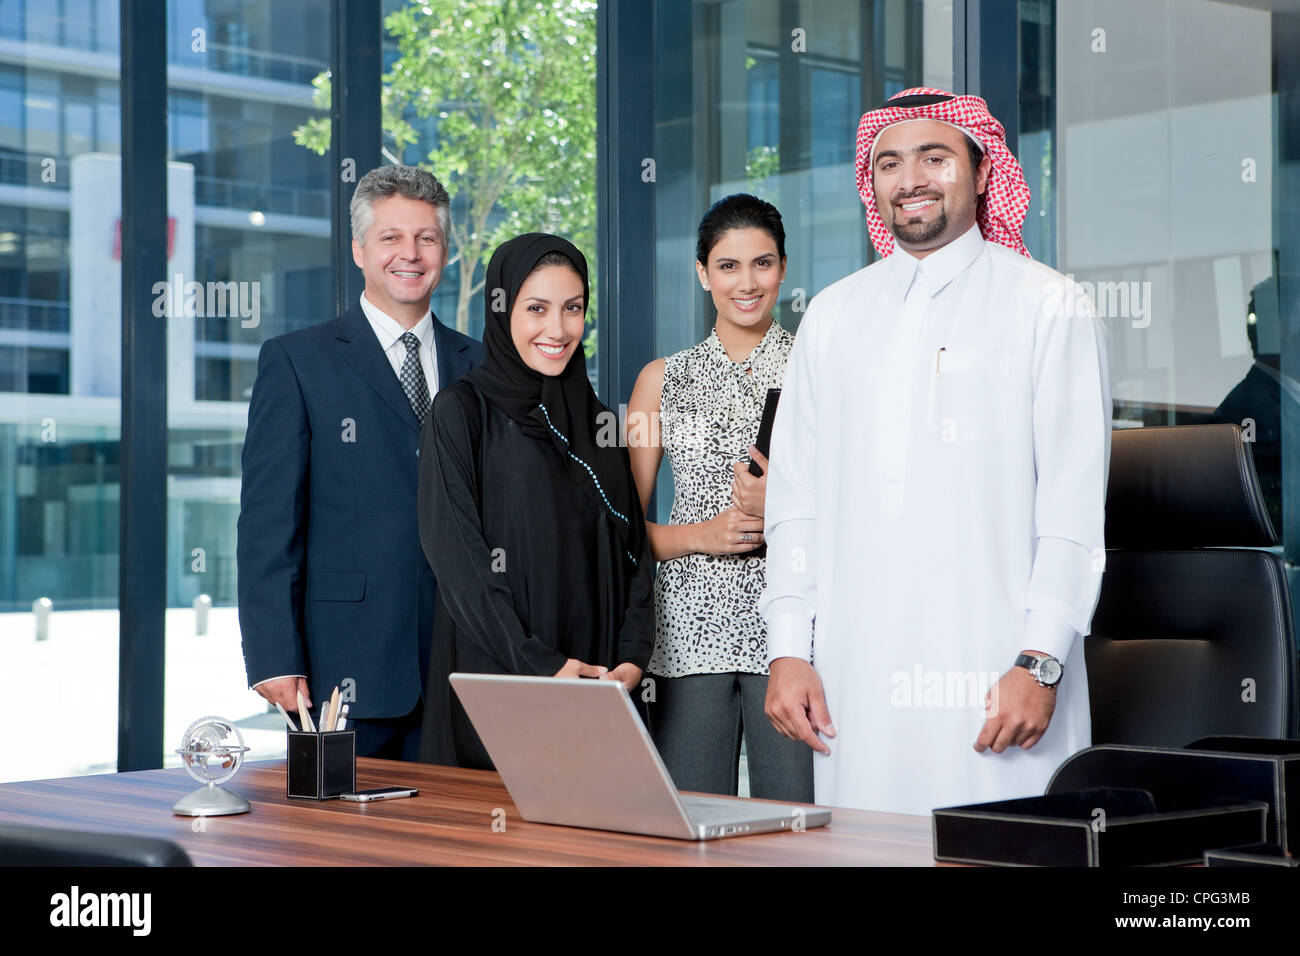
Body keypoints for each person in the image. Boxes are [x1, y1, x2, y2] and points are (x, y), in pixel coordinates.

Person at [759, 88, 1112, 815]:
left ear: (983, 174)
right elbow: (796, 504)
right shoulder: (832, 315)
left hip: (998, 676)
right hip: (857, 682)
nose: (910, 178)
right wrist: (788, 647)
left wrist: (1040, 663)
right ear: (872, 183)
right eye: (889, 162)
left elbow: (1072, 511)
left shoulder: (1049, 306)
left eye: (934, 157)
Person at [238, 165, 483, 760]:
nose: (410, 253)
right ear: (359, 250)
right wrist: (273, 658)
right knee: (343, 847)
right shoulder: (297, 362)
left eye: (426, 238)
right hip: (341, 671)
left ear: (445, 251)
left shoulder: (481, 366)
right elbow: (269, 525)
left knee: (460, 846)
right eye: (391, 238)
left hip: (468, 668)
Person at [416, 233, 654, 769]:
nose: (559, 329)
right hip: (501, 682)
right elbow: (460, 564)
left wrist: (633, 656)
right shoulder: (461, 413)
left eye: (573, 309)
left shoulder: (598, 425)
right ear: (502, 311)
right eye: (537, 309)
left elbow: (635, 553)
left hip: (598, 685)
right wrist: (539, 664)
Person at [626, 194, 812, 801]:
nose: (747, 282)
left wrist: (777, 507)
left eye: (762, 263)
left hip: (792, 632)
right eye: (728, 266)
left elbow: (863, 511)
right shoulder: (662, 380)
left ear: (784, 268)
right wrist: (696, 536)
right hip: (684, 636)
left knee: (796, 820)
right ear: (703, 273)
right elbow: (618, 529)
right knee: (691, 821)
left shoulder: (819, 373)